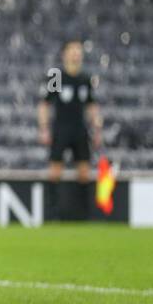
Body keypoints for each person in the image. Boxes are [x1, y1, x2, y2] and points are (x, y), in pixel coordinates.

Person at [38, 39, 103, 219]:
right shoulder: (56, 76)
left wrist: (97, 129)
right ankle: (52, 214)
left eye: (78, 50)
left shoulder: (85, 78)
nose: (76, 53)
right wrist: (44, 128)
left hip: (80, 130)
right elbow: (44, 104)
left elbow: (91, 106)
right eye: (72, 49)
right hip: (60, 129)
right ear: (64, 54)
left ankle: (85, 214)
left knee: (84, 172)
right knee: (55, 171)